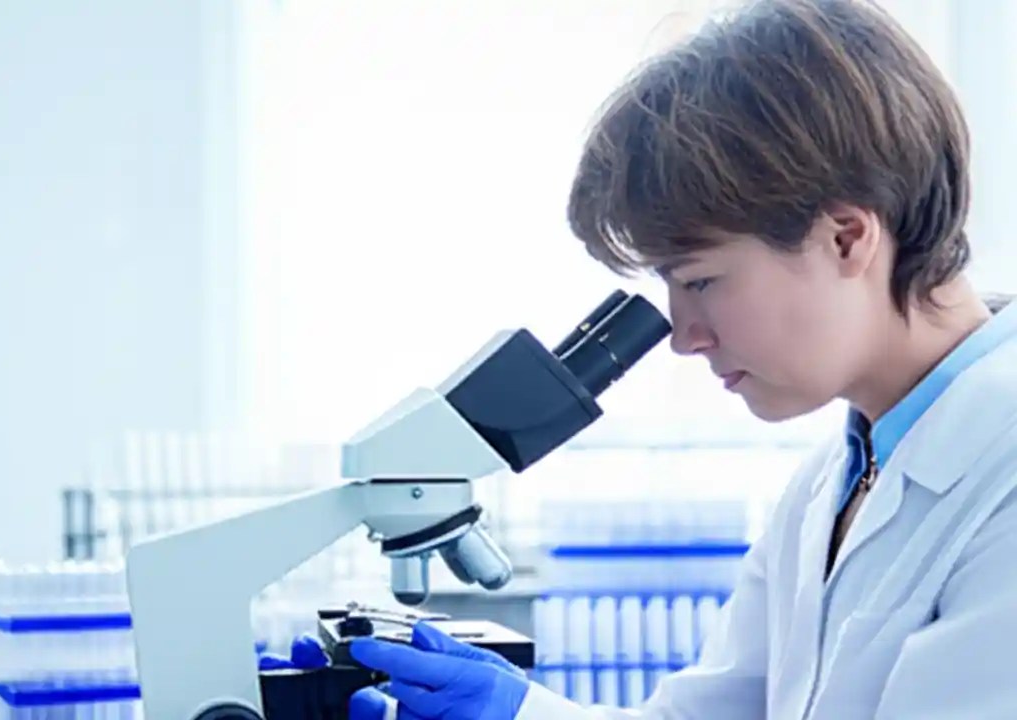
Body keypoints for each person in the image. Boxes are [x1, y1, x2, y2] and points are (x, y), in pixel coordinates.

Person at [263, 0, 1017, 717]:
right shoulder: (838, 476)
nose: (686, 335)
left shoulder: (1002, 476)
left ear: (846, 238)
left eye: (700, 281)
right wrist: (519, 712)